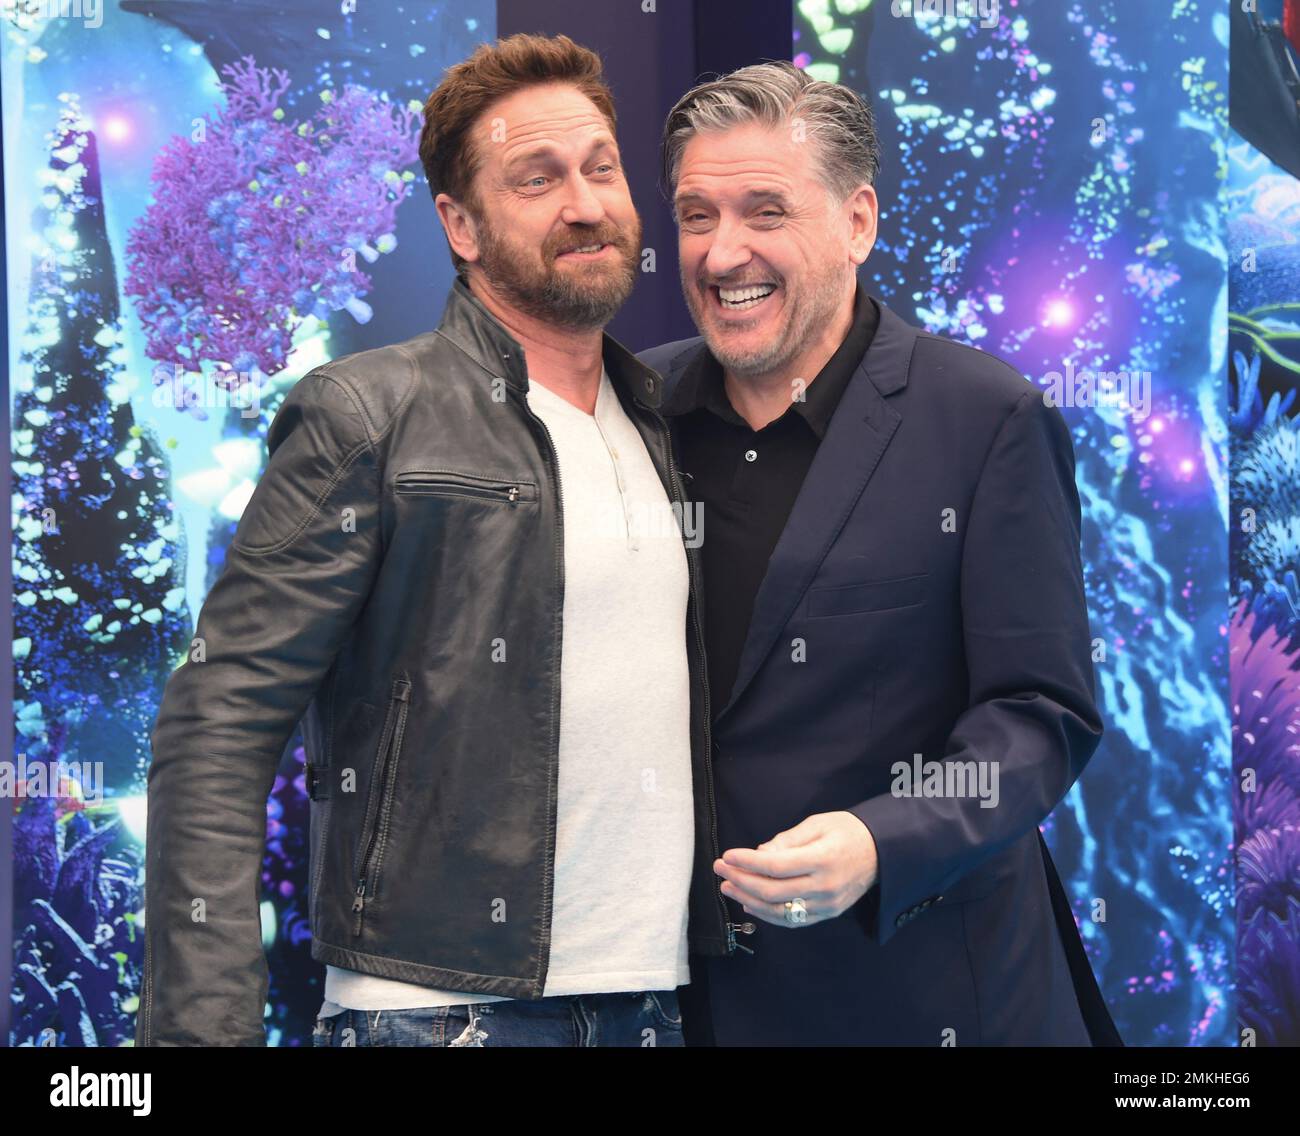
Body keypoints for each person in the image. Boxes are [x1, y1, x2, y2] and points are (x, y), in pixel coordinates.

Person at [136, 33, 735, 1048]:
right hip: (436, 1013)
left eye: (600, 167)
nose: (585, 203)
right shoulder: (367, 414)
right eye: (535, 179)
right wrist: (200, 1036)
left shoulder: (661, 418)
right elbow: (216, 726)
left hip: (648, 1002)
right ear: (459, 223)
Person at [639, 60, 1123, 1046]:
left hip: (927, 992)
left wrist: (881, 837)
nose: (722, 252)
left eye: (763, 209)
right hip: (690, 1004)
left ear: (857, 221)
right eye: (696, 214)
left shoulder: (986, 417)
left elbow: (1038, 714)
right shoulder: (629, 411)